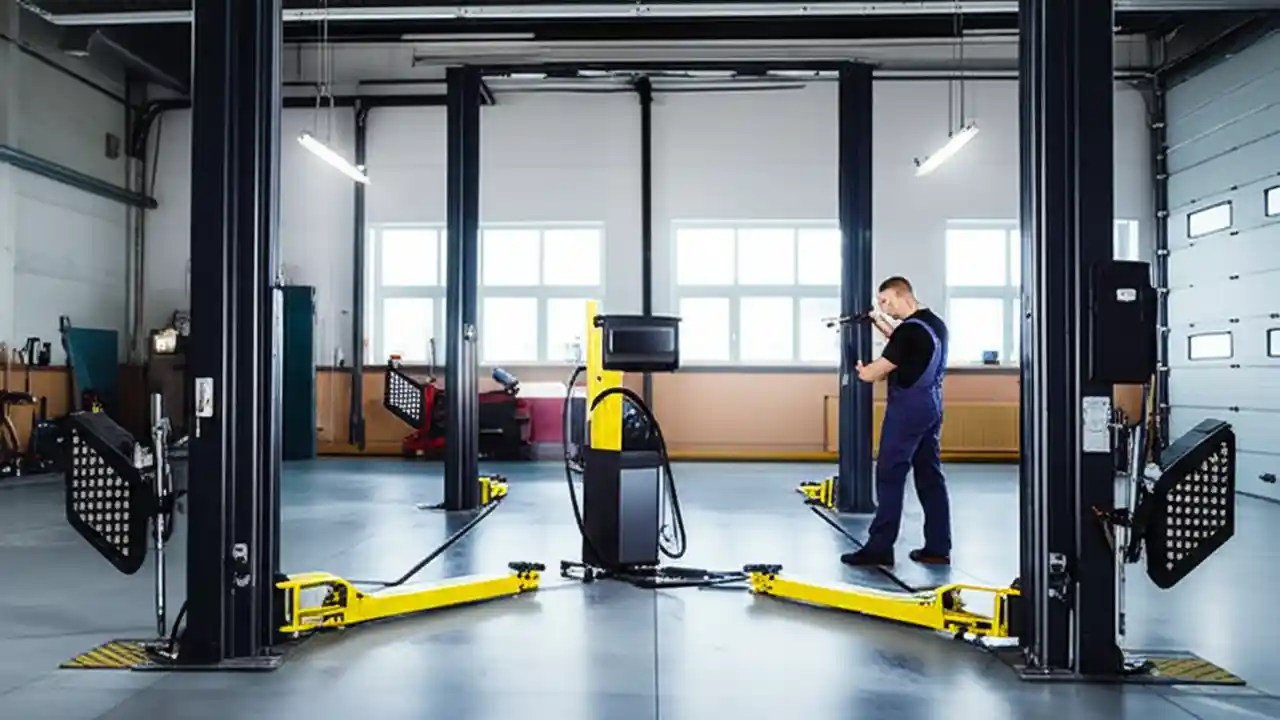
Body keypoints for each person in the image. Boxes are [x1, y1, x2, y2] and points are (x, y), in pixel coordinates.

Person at [842, 276, 952, 567]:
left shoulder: (908, 333)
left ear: (901, 295)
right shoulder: (933, 324)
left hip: (908, 410)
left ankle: (879, 547)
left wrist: (860, 368)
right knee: (930, 476)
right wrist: (878, 323)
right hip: (932, 405)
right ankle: (938, 547)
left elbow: (873, 374)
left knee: (889, 474)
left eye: (885, 301)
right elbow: (908, 347)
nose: (883, 307)